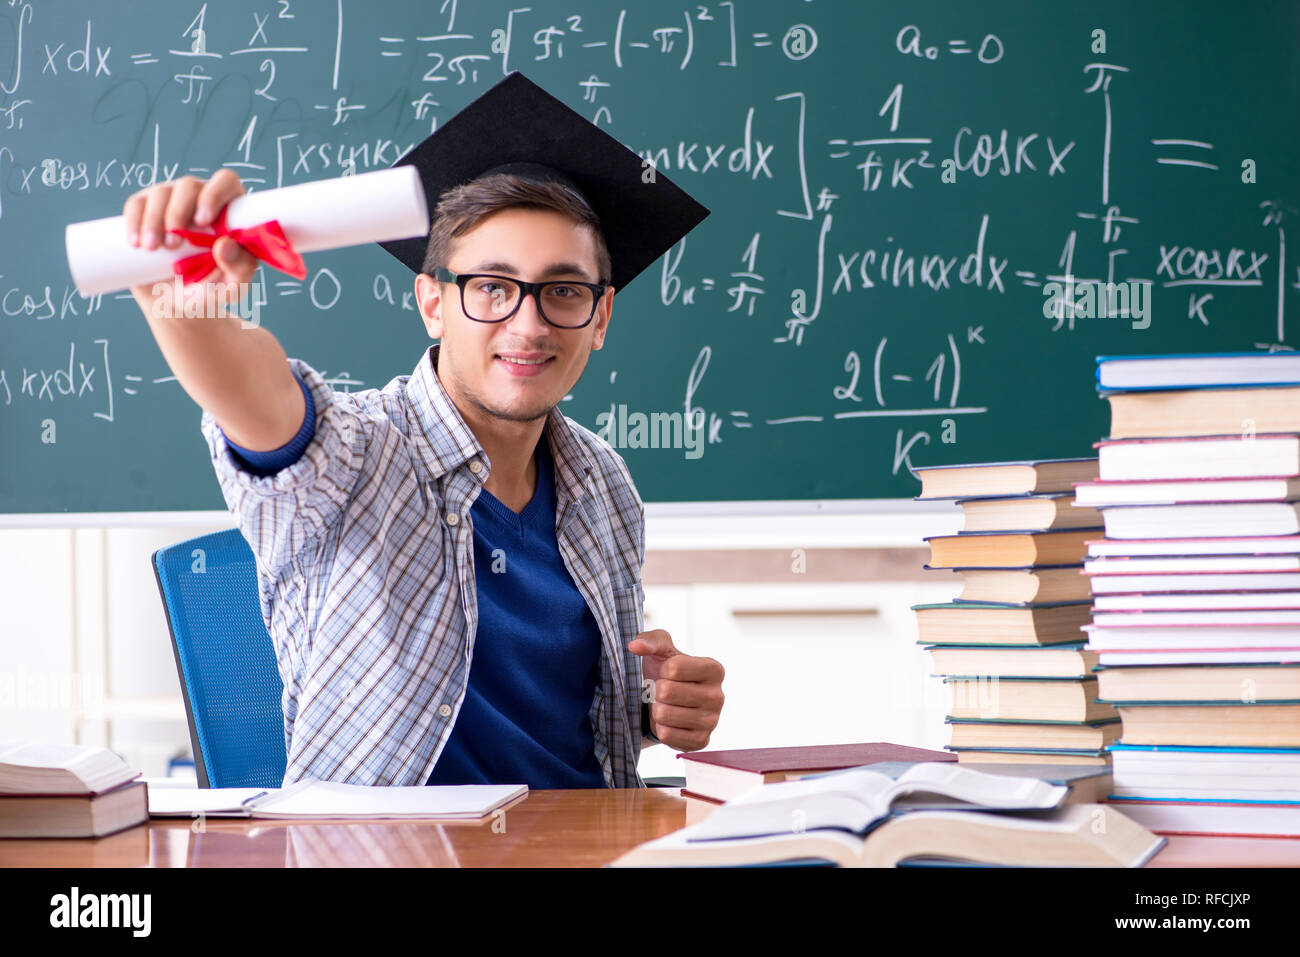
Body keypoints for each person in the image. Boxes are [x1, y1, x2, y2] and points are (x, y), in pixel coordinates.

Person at [124, 73, 724, 789]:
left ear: (600, 317)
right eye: (492, 288)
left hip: (584, 843)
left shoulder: (604, 485)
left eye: (564, 291)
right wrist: (187, 310)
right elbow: (251, 390)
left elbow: (580, 715)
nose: (527, 325)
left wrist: (661, 703)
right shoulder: (356, 455)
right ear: (433, 303)